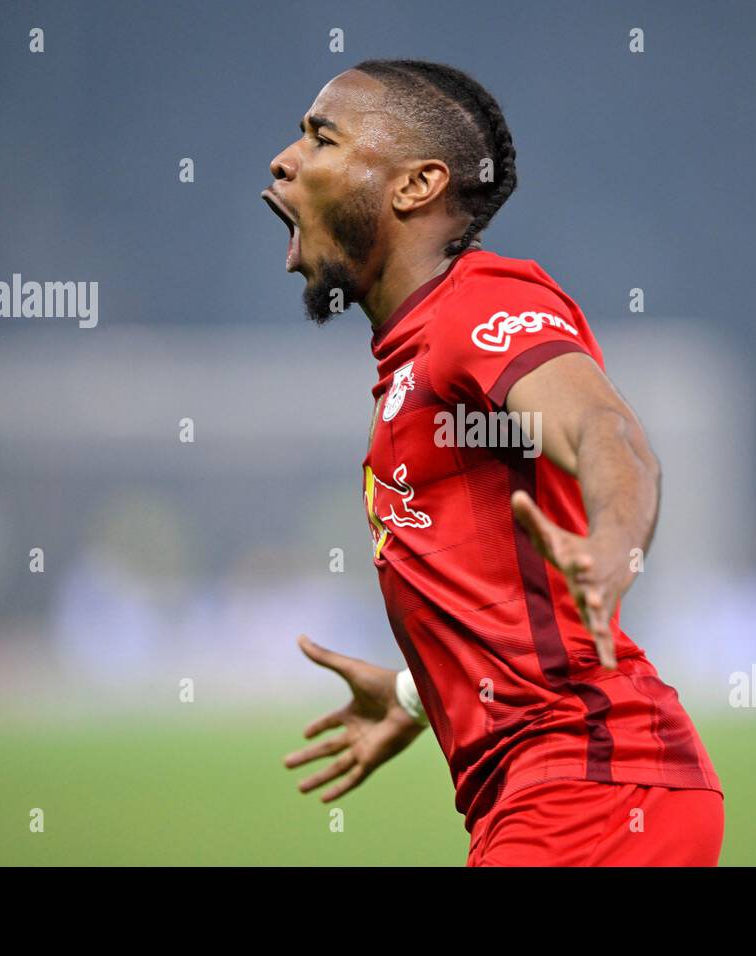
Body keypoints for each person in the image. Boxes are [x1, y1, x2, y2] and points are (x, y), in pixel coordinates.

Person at [264, 59, 723, 866]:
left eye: (321, 137)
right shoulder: (410, 358)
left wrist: (616, 542)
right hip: (563, 792)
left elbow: (607, 431)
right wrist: (418, 694)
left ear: (417, 186)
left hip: (591, 788)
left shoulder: (479, 304)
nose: (285, 159)